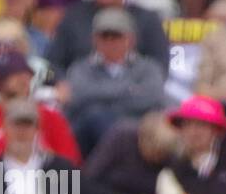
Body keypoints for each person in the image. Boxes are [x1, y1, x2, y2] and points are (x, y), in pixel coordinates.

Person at [46, 0, 171, 78]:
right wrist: (64, 84)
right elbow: (52, 64)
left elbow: (160, 65)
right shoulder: (73, 17)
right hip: (83, 92)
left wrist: (142, 88)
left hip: (133, 92)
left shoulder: (147, 19)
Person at [62, 9, 168, 155]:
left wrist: (100, 95)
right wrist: (128, 89)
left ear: (131, 39)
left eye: (116, 36)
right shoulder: (80, 68)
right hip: (89, 136)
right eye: (104, 36)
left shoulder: (149, 68)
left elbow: (152, 97)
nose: (110, 42)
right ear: (94, 39)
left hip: (137, 132)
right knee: (95, 116)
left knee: (113, 122)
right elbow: (77, 96)